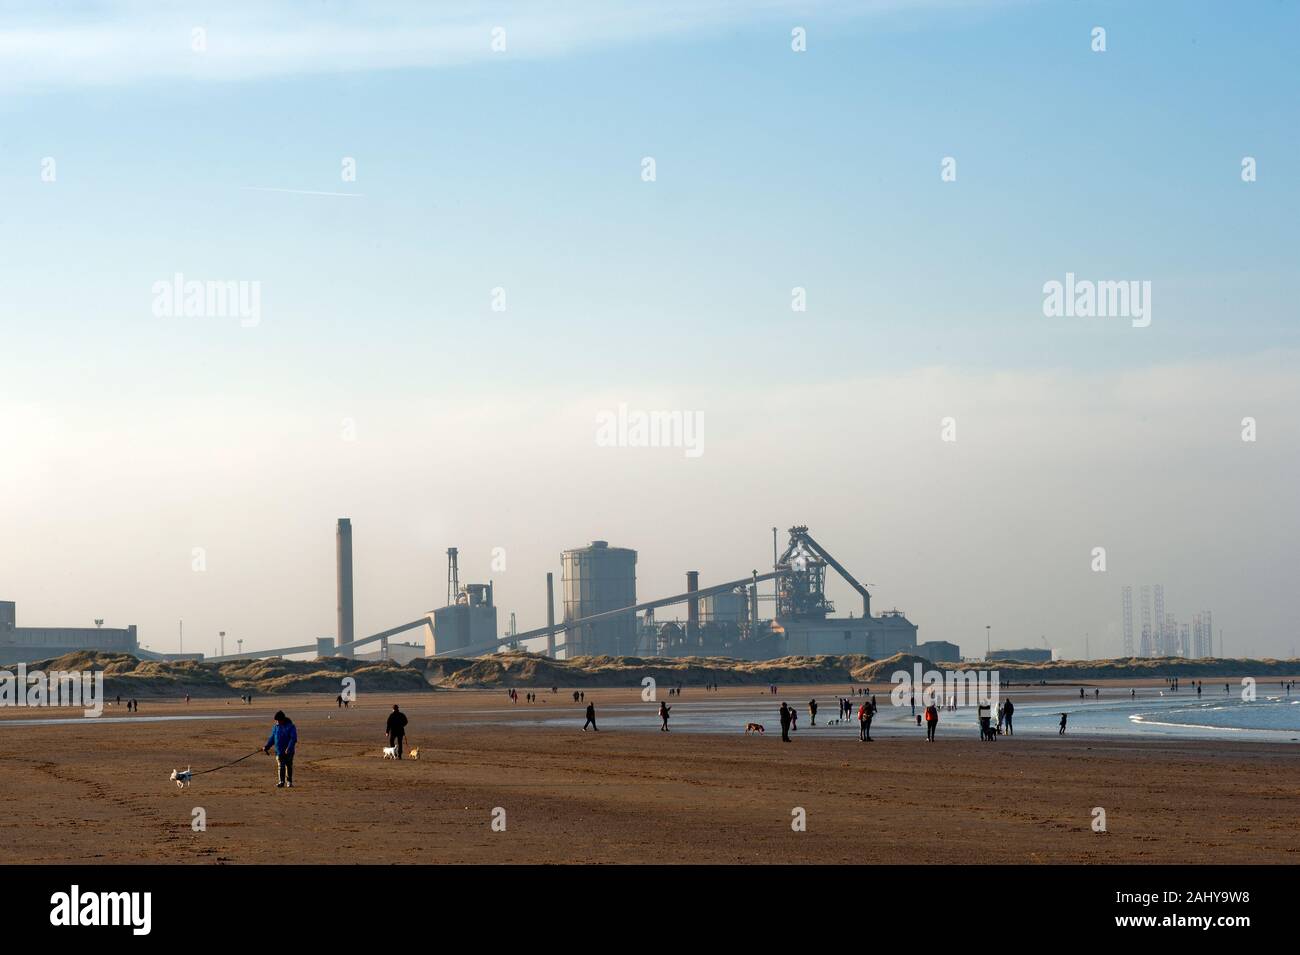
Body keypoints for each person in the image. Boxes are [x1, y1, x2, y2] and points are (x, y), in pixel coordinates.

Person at [263, 710, 298, 788]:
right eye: (276, 721)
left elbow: (293, 738)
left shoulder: (291, 726)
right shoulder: (276, 727)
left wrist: (289, 748)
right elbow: (272, 738)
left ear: (282, 719)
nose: (277, 722)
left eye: (278, 720)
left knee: (288, 766)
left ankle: (289, 782)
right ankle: (281, 781)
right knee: (280, 766)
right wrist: (267, 746)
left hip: (289, 751)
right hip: (279, 751)